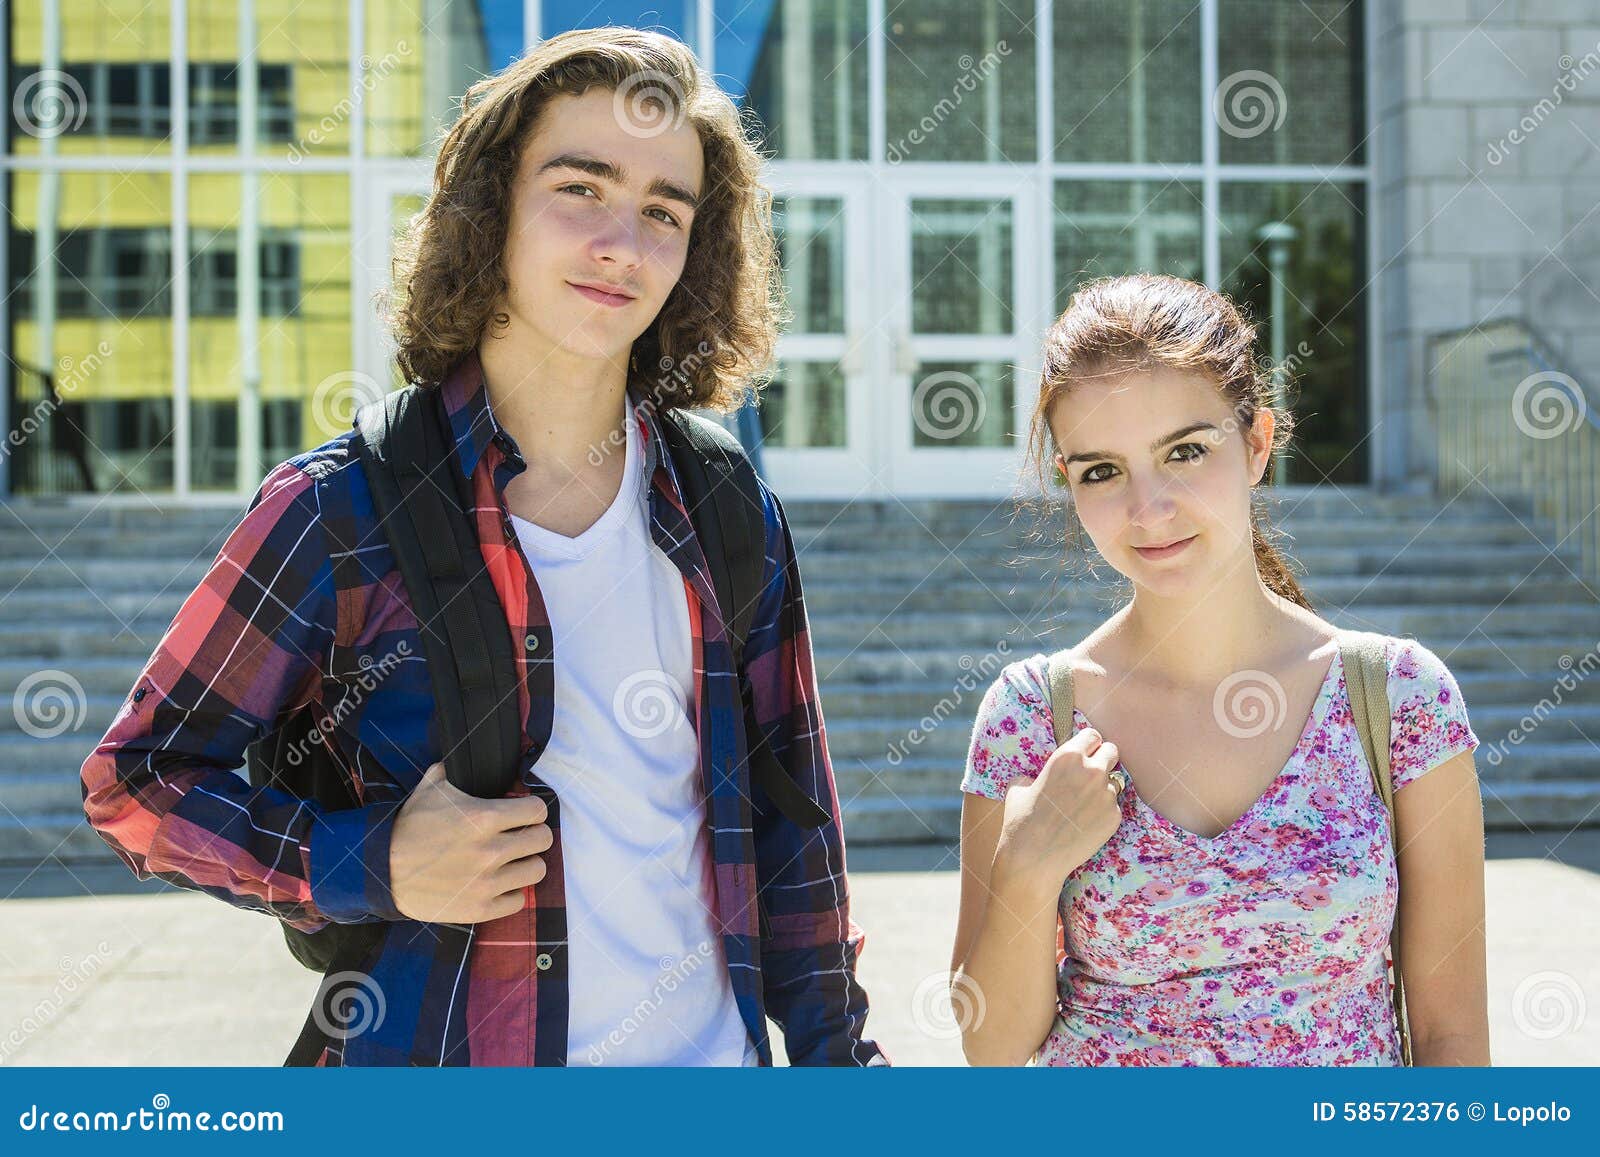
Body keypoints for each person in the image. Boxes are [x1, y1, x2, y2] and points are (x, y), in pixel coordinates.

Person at [80, 26, 887, 1068]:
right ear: (491, 206)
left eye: (664, 211)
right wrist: (367, 860)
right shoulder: (344, 507)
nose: (622, 244)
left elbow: (796, 835)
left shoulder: (726, 503)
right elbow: (135, 782)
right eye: (581, 188)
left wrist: (842, 1070)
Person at [950, 273, 1489, 1066]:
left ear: (1258, 444)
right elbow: (991, 1047)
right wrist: (1027, 867)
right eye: (1101, 470)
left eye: (1185, 451)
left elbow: (1452, 1036)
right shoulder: (1031, 715)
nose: (1148, 509)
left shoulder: (1400, 698)